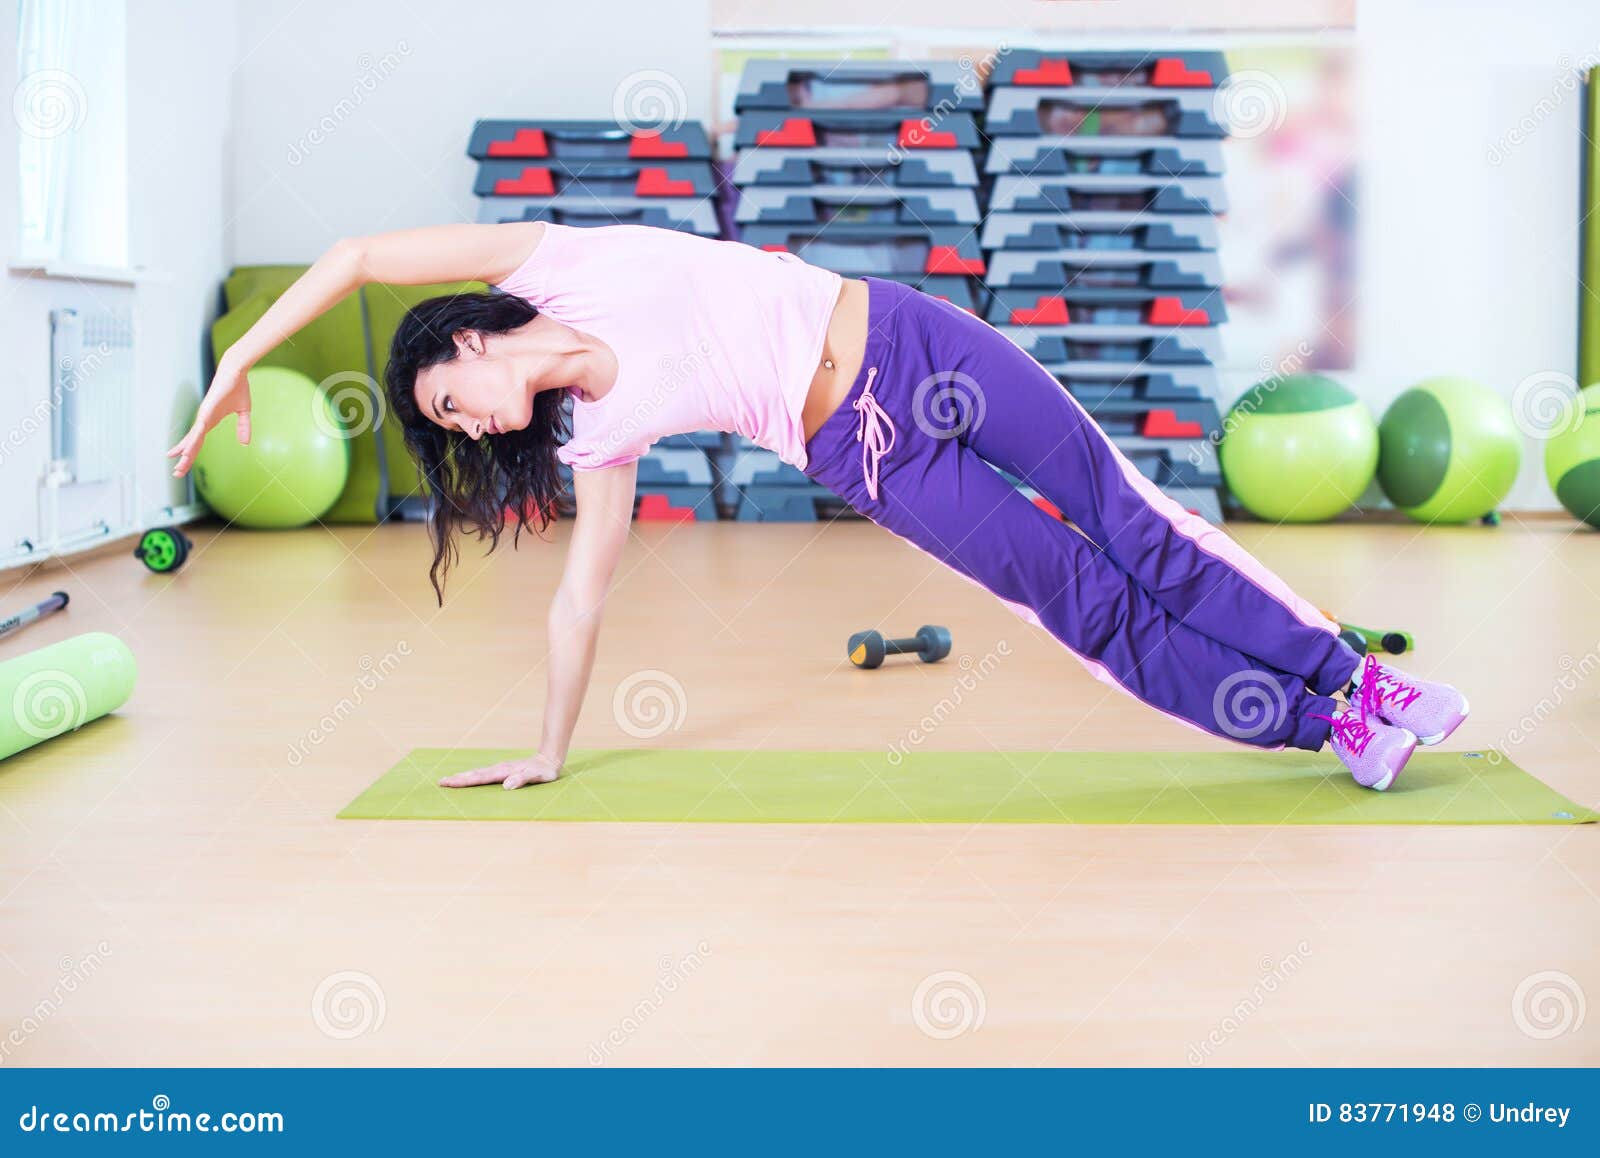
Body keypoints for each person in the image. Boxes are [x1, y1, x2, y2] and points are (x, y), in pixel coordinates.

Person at [169, 221, 1468, 792]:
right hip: (868, 452)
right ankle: (1325, 725)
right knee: (1079, 604)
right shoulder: (603, 436)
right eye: (453, 435)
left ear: (462, 344)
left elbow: (350, 260)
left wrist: (241, 363)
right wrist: (551, 747)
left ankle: (1360, 678)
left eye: (449, 404)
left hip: (914, 344)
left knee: (1127, 520)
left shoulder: (543, 260)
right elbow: (582, 599)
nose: (469, 425)